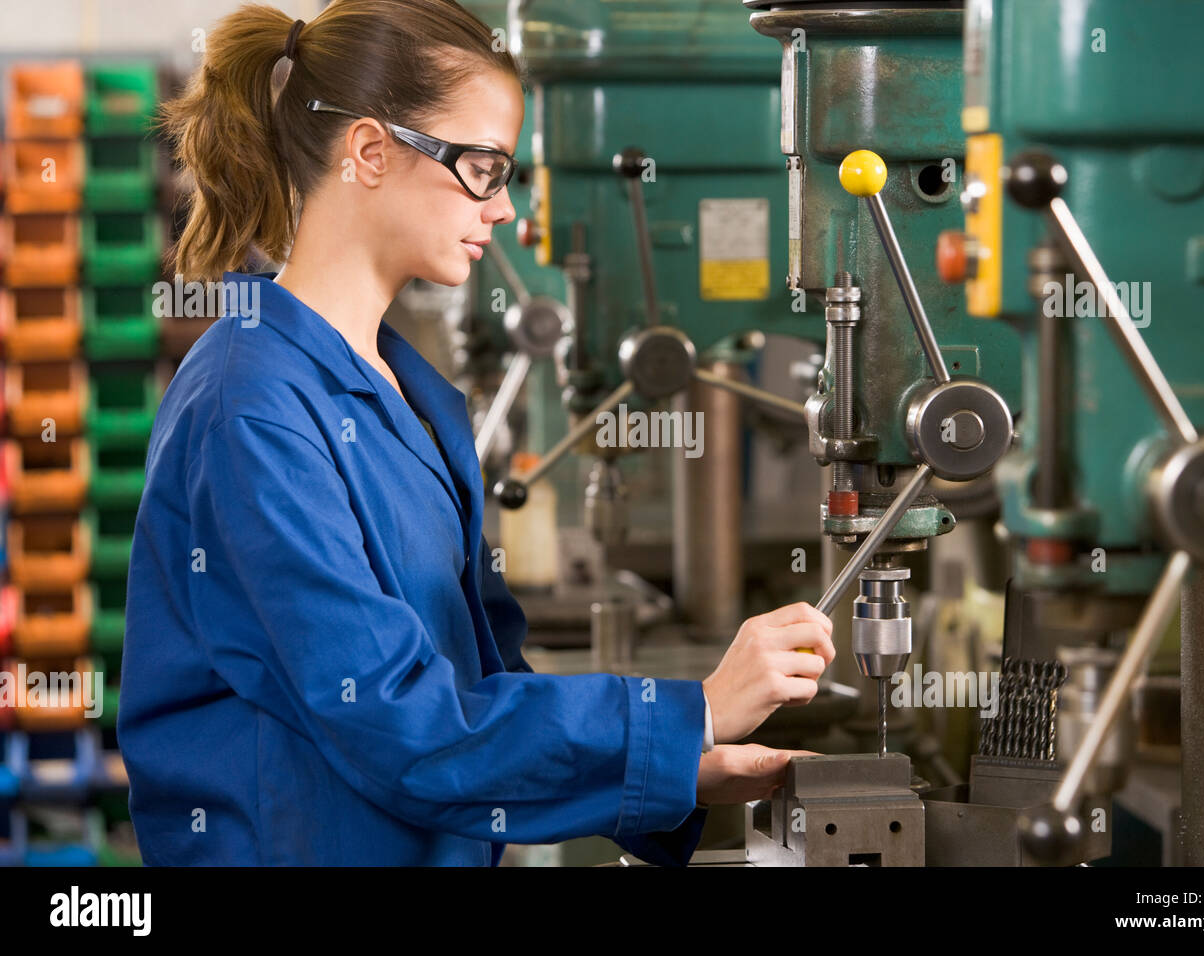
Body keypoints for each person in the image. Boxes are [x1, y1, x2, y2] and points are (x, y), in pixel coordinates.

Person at [118, 0, 834, 866]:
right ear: (371, 153)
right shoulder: (251, 411)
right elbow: (399, 725)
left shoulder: (407, 392)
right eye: (482, 167)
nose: (500, 209)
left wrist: (683, 766)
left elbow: (479, 687)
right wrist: (696, 710)